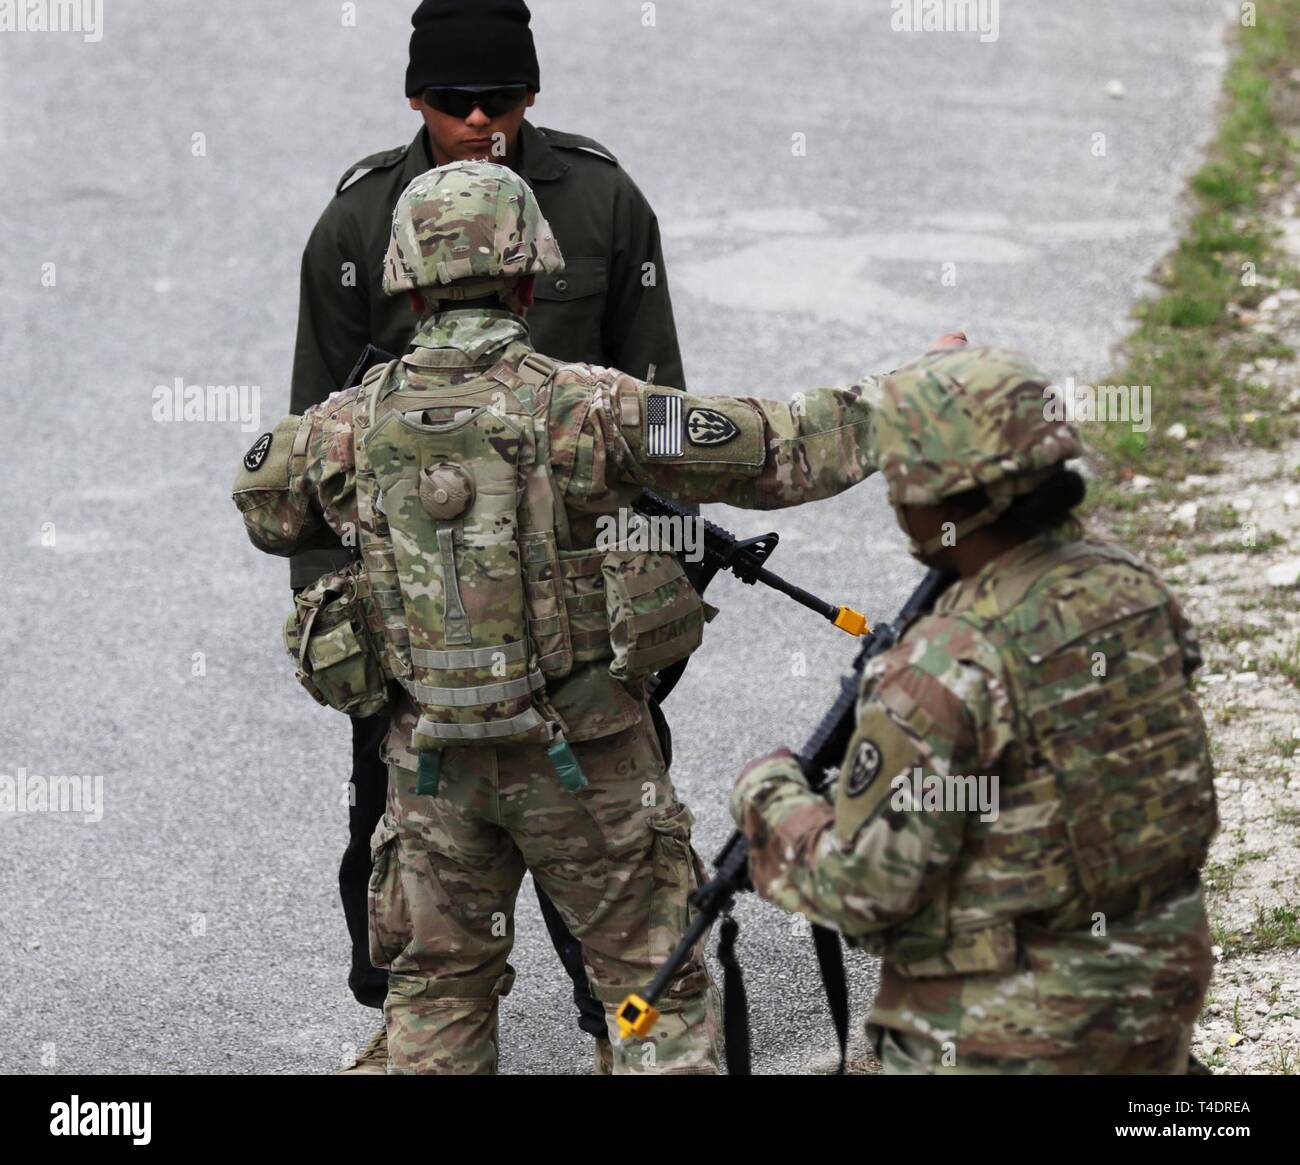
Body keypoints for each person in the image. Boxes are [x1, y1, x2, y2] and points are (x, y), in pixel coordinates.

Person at [235, 160, 954, 1073]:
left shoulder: (343, 428)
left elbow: (266, 506)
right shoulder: (588, 409)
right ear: (531, 278)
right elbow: (777, 452)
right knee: (655, 992)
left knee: (437, 1000)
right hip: (588, 763)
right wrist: (916, 393)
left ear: (406, 287)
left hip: (430, 766)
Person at [288, 0, 688, 1072]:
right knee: (403, 873)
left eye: (502, 100)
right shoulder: (359, 223)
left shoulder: (601, 203)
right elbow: (314, 444)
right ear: (414, 100)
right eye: (456, 102)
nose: (481, 121)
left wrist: (660, 609)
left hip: (582, 632)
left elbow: (658, 417)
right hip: (424, 631)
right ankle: (423, 1011)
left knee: (621, 871)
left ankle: (621, 1021)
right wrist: (343, 630)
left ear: (531, 95)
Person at [730, 345, 1219, 1075]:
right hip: (1153, 1004)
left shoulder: (944, 666)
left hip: (1013, 1038)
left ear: (937, 496)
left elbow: (865, 892)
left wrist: (770, 800)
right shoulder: (1135, 591)